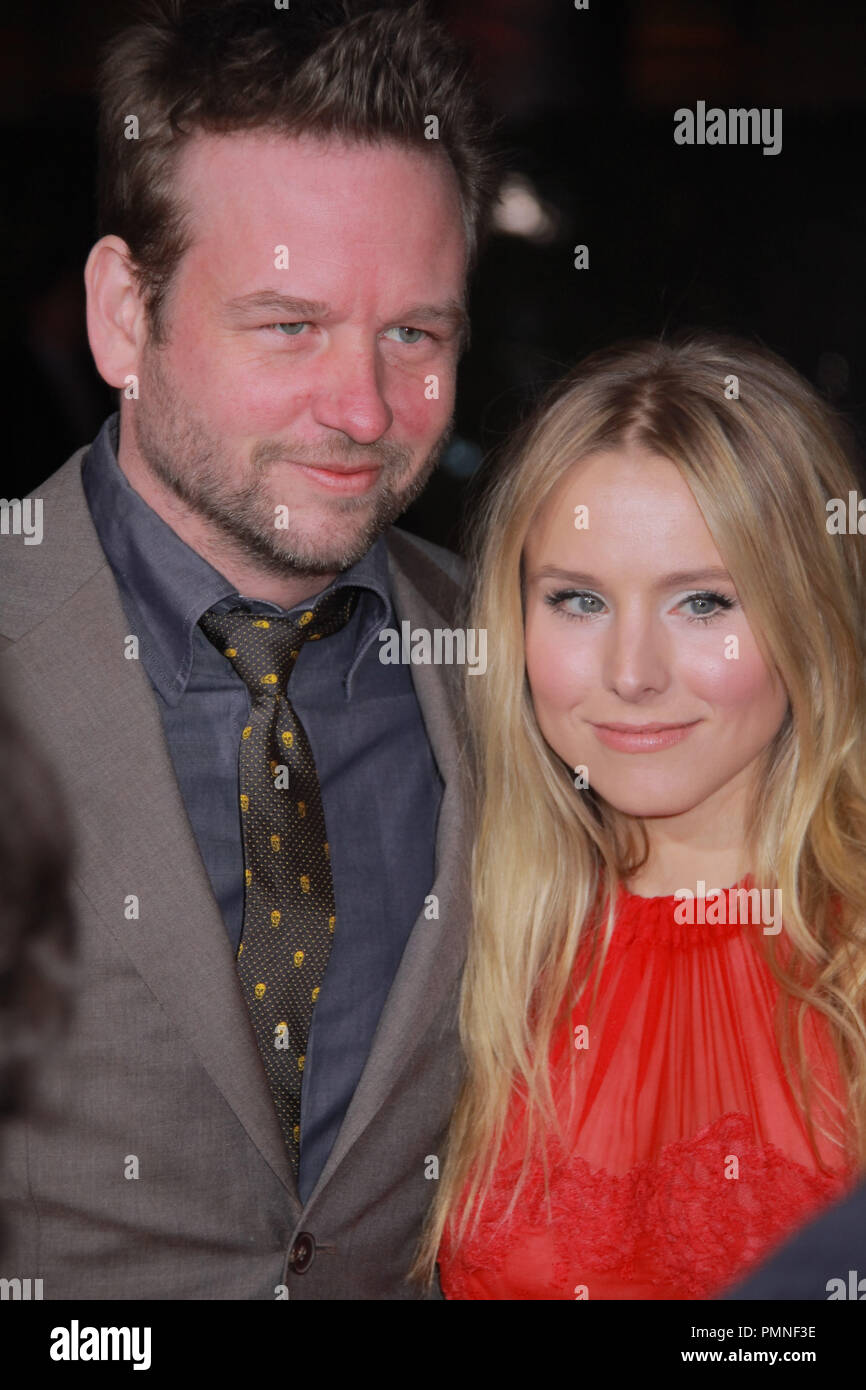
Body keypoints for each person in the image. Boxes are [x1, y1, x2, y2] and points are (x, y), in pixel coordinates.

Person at [0, 0, 499, 1299]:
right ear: (123, 314)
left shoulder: (527, 658)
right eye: (288, 324)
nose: (363, 409)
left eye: (415, 333)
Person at [418, 331, 866, 1299]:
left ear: (807, 611)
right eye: (576, 599)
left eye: (701, 603)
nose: (629, 673)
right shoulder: (476, 931)